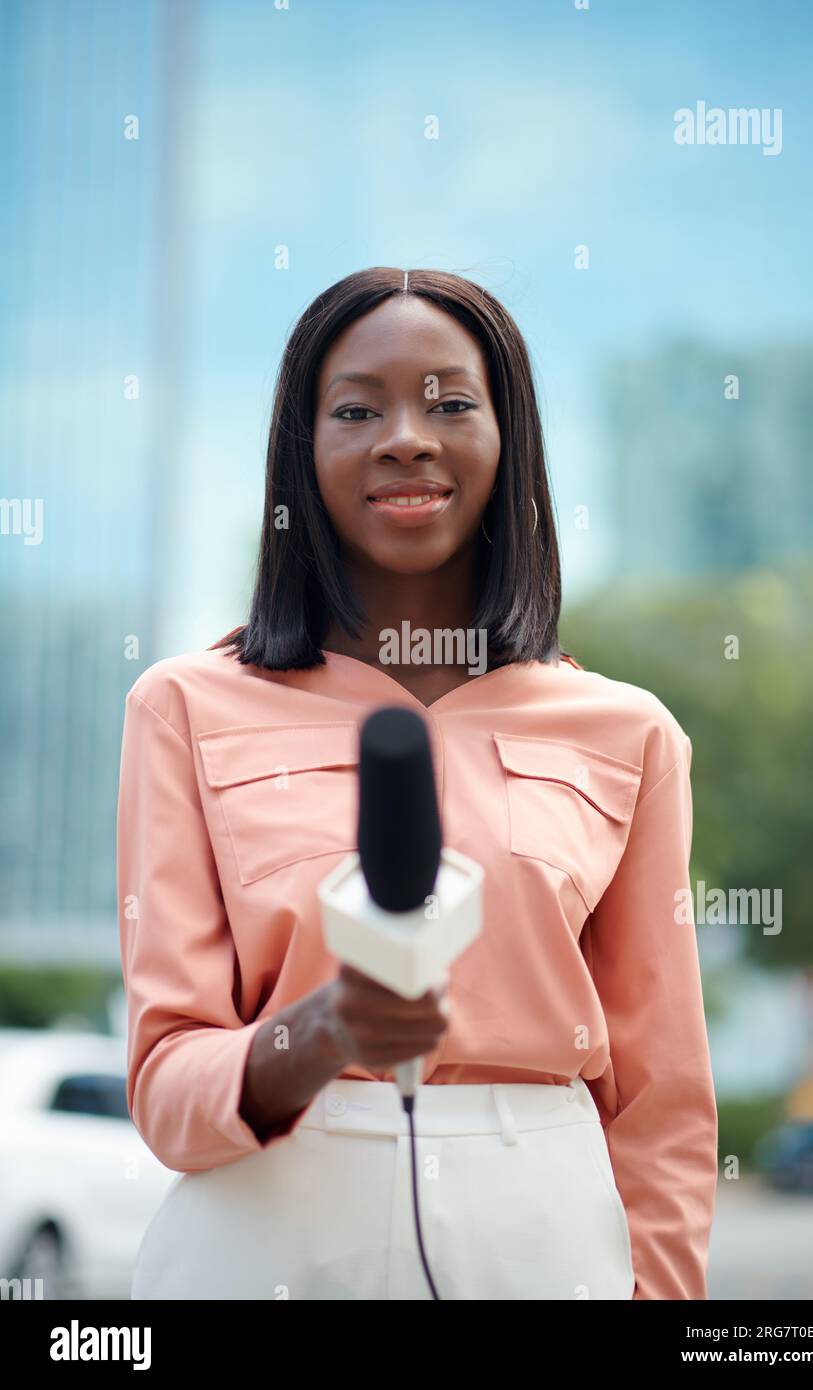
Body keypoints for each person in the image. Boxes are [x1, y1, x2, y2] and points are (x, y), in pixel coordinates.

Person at [117, 266, 717, 1300]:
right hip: (264, 1231)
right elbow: (167, 1085)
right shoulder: (181, 707)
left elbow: (660, 1103)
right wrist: (325, 1030)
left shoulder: (629, 734)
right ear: (300, 453)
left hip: (542, 1233)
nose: (405, 434)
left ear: (507, 437)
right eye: (355, 408)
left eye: (449, 401)